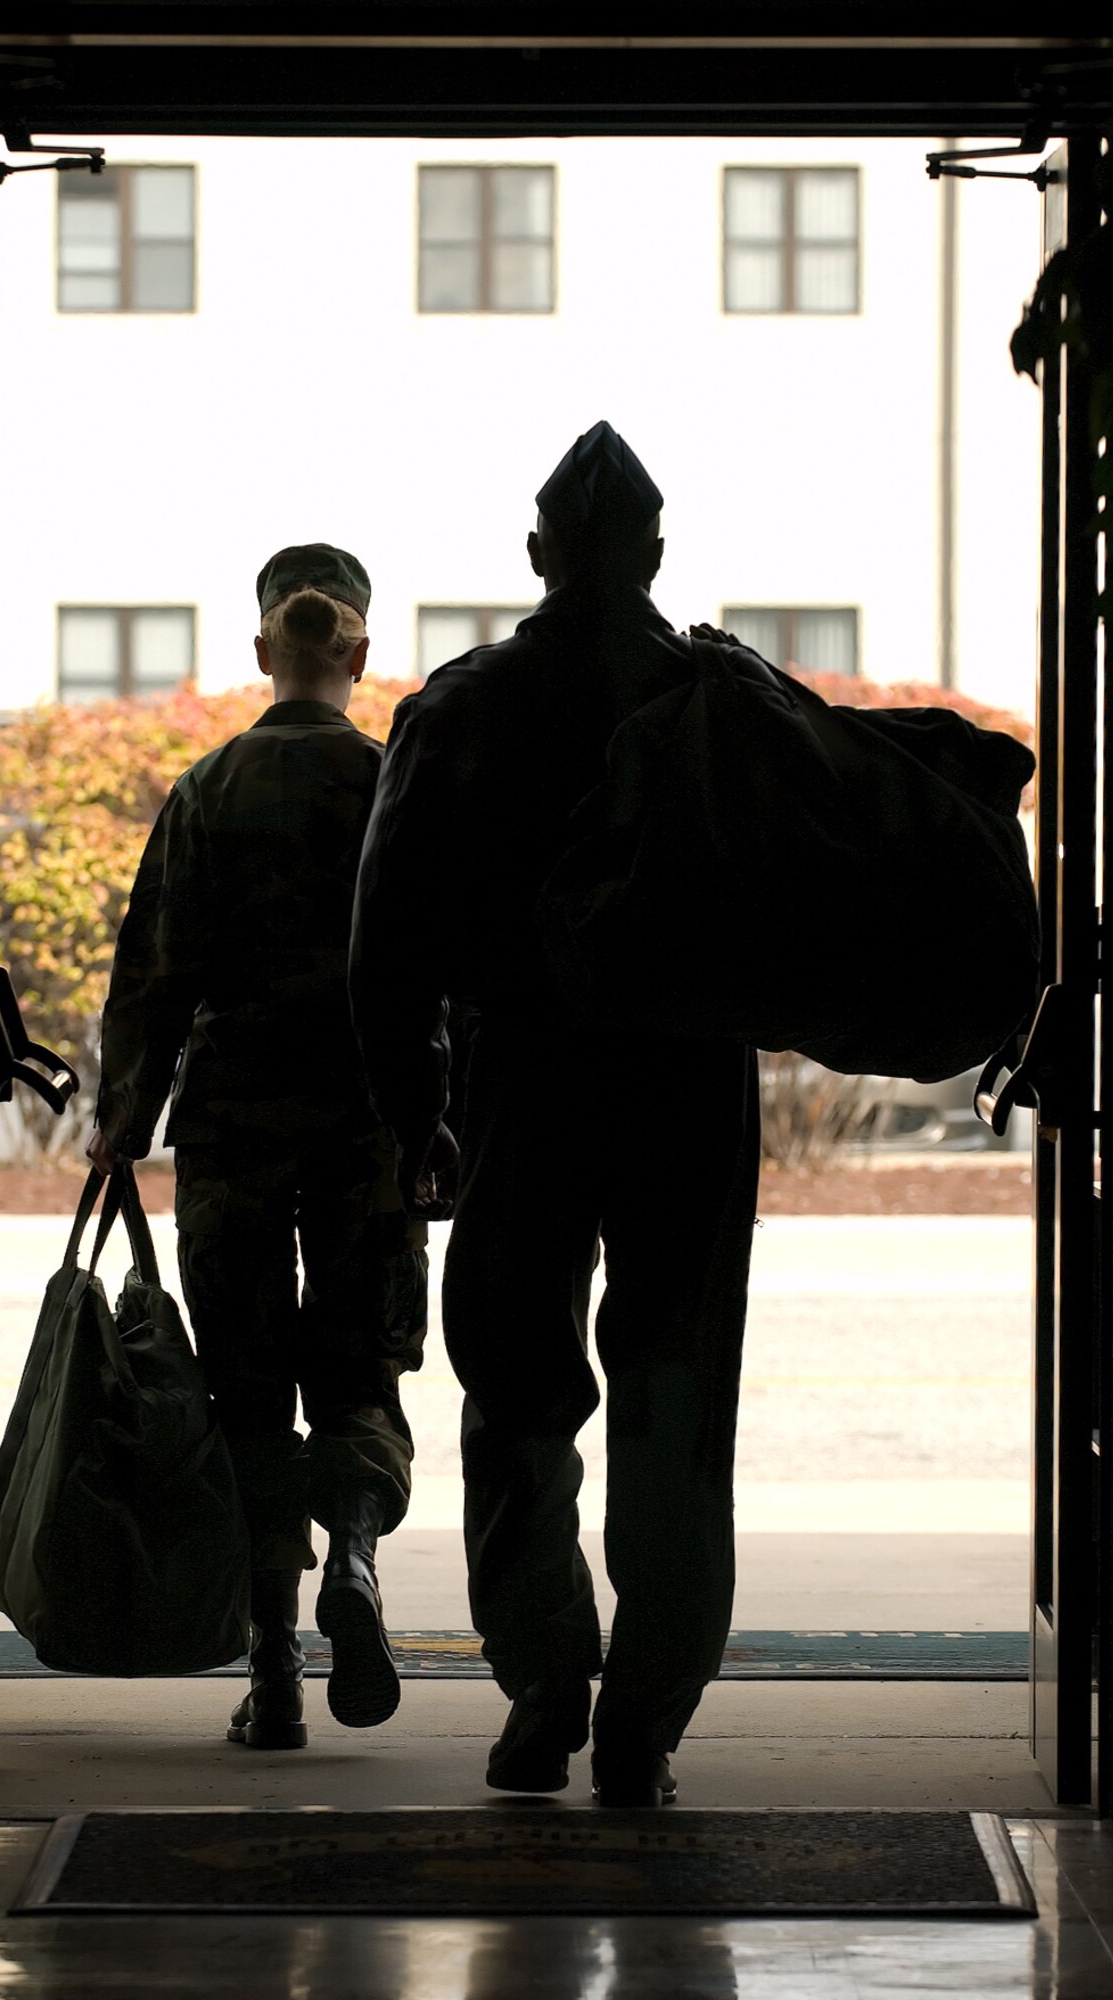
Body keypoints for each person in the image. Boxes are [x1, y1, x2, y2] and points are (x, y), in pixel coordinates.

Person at [350, 422, 760, 1808]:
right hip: (691, 1091)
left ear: (534, 555)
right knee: (673, 1388)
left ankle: (540, 1691)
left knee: (517, 1388)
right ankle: (645, 1716)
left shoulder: (459, 711)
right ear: (653, 552)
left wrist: (418, 1117)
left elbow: (383, 944)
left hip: (518, 1082)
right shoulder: (719, 702)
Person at [86, 543, 428, 1751]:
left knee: (244, 1387)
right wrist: (439, 1121)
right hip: (362, 1127)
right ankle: (361, 1561)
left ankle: (274, 1673)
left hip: (232, 1129)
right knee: (357, 1371)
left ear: (260, 655)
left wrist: (123, 1115)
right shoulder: (394, 787)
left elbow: (154, 973)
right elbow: (434, 975)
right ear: (360, 655)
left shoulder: (208, 788)